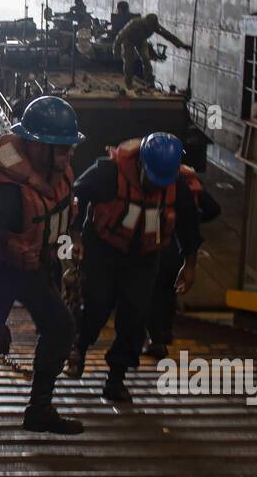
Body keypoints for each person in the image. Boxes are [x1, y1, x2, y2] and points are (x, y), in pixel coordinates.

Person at [0, 95, 85, 436]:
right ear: (39, 148)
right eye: (63, 149)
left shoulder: (59, 174)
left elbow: (68, 210)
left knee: (61, 327)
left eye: (70, 148)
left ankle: (39, 410)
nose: (70, 156)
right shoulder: (4, 197)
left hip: (31, 267)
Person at [66, 133, 203, 401]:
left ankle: (116, 378)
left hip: (144, 258)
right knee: (95, 305)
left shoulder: (176, 185)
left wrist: (189, 264)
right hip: (103, 250)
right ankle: (78, 349)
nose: (155, 186)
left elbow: (189, 226)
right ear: (140, 164)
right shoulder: (107, 173)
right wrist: (75, 235)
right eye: (151, 179)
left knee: (134, 316)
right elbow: (76, 196)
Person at [142, 171, 219, 359]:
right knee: (168, 291)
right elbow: (213, 209)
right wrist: (192, 220)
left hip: (159, 244)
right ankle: (165, 331)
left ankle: (156, 339)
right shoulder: (188, 179)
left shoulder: (150, 180)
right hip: (178, 248)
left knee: (154, 292)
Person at [114, 11, 192, 89]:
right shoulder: (135, 23)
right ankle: (128, 82)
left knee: (146, 60)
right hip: (129, 41)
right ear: (146, 23)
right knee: (129, 61)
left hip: (142, 40)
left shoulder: (154, 26)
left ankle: (149, 82)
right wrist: (116, 49)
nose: (151, 28)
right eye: (149, 26)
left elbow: (167, 35)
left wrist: (181, 45)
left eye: (152, 27)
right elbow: (121, 35)